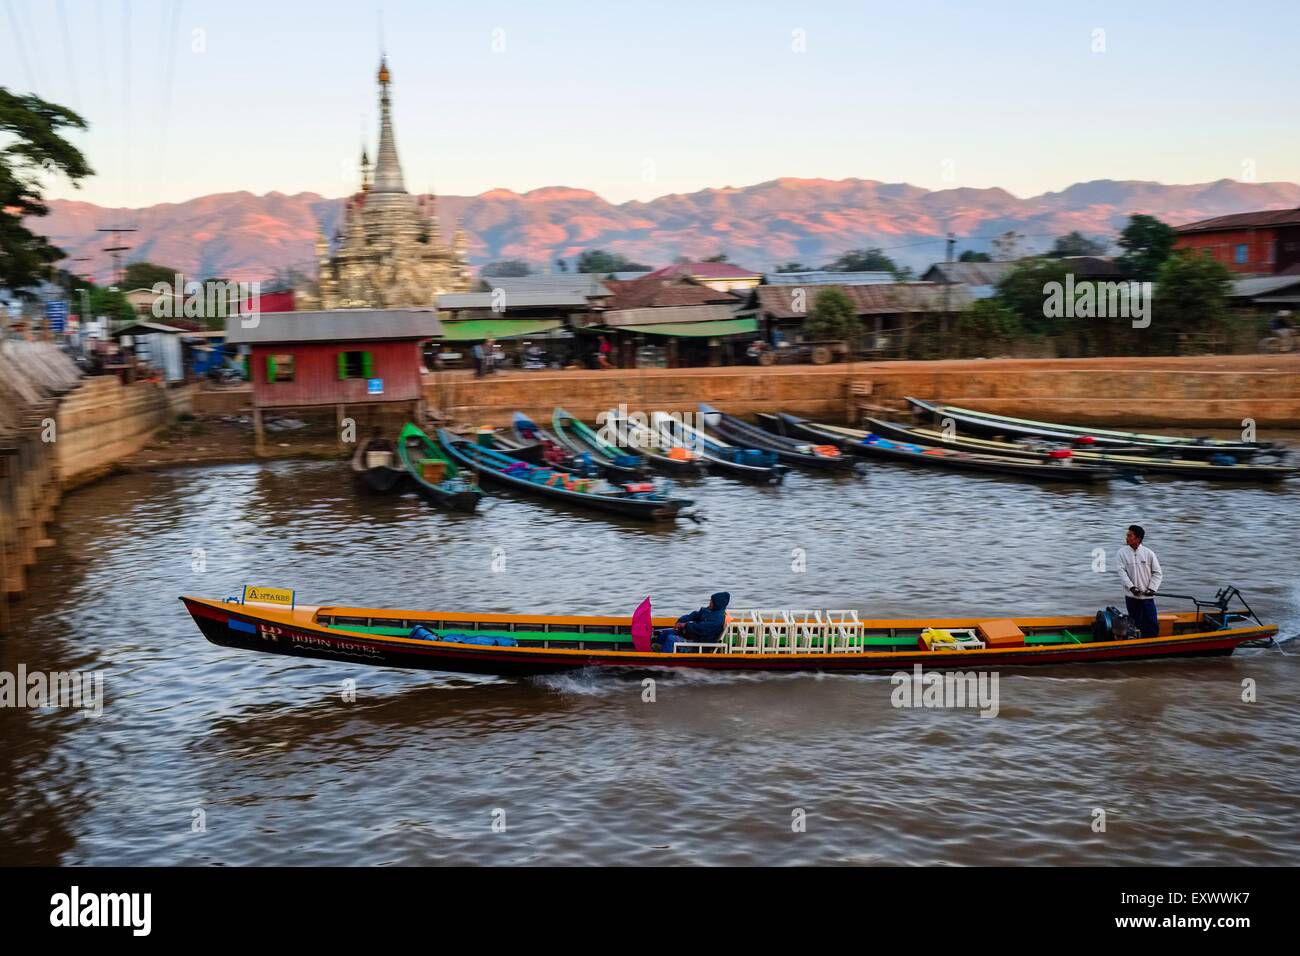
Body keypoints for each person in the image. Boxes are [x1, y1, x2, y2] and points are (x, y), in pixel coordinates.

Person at [1117, 524, 1163, 638]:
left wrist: (1152, 589)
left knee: (1151, 622)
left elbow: (1157, 573)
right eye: (1127, 535)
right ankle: (1136, 642)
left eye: (1130, 535)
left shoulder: (1149, 554)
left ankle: (1152, 643)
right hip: (1131, 596)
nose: (1126, 537)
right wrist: (1131, 587)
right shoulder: (1121, 553)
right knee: (1134, 623)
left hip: (1147, 597)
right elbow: (1122, 573)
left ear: (1138, 538)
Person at [651, 592, 730, 653]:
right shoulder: (709, 610)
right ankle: (656, 649)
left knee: (671, 639)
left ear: (717, 604)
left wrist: (686, 625)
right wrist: (681, 620)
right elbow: (695, 614)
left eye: (712, 601)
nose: (709, 602)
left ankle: (664, 660)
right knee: (667, 632)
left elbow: (701, 628)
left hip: (698, 644)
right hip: (694, 636)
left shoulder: (718, 620)